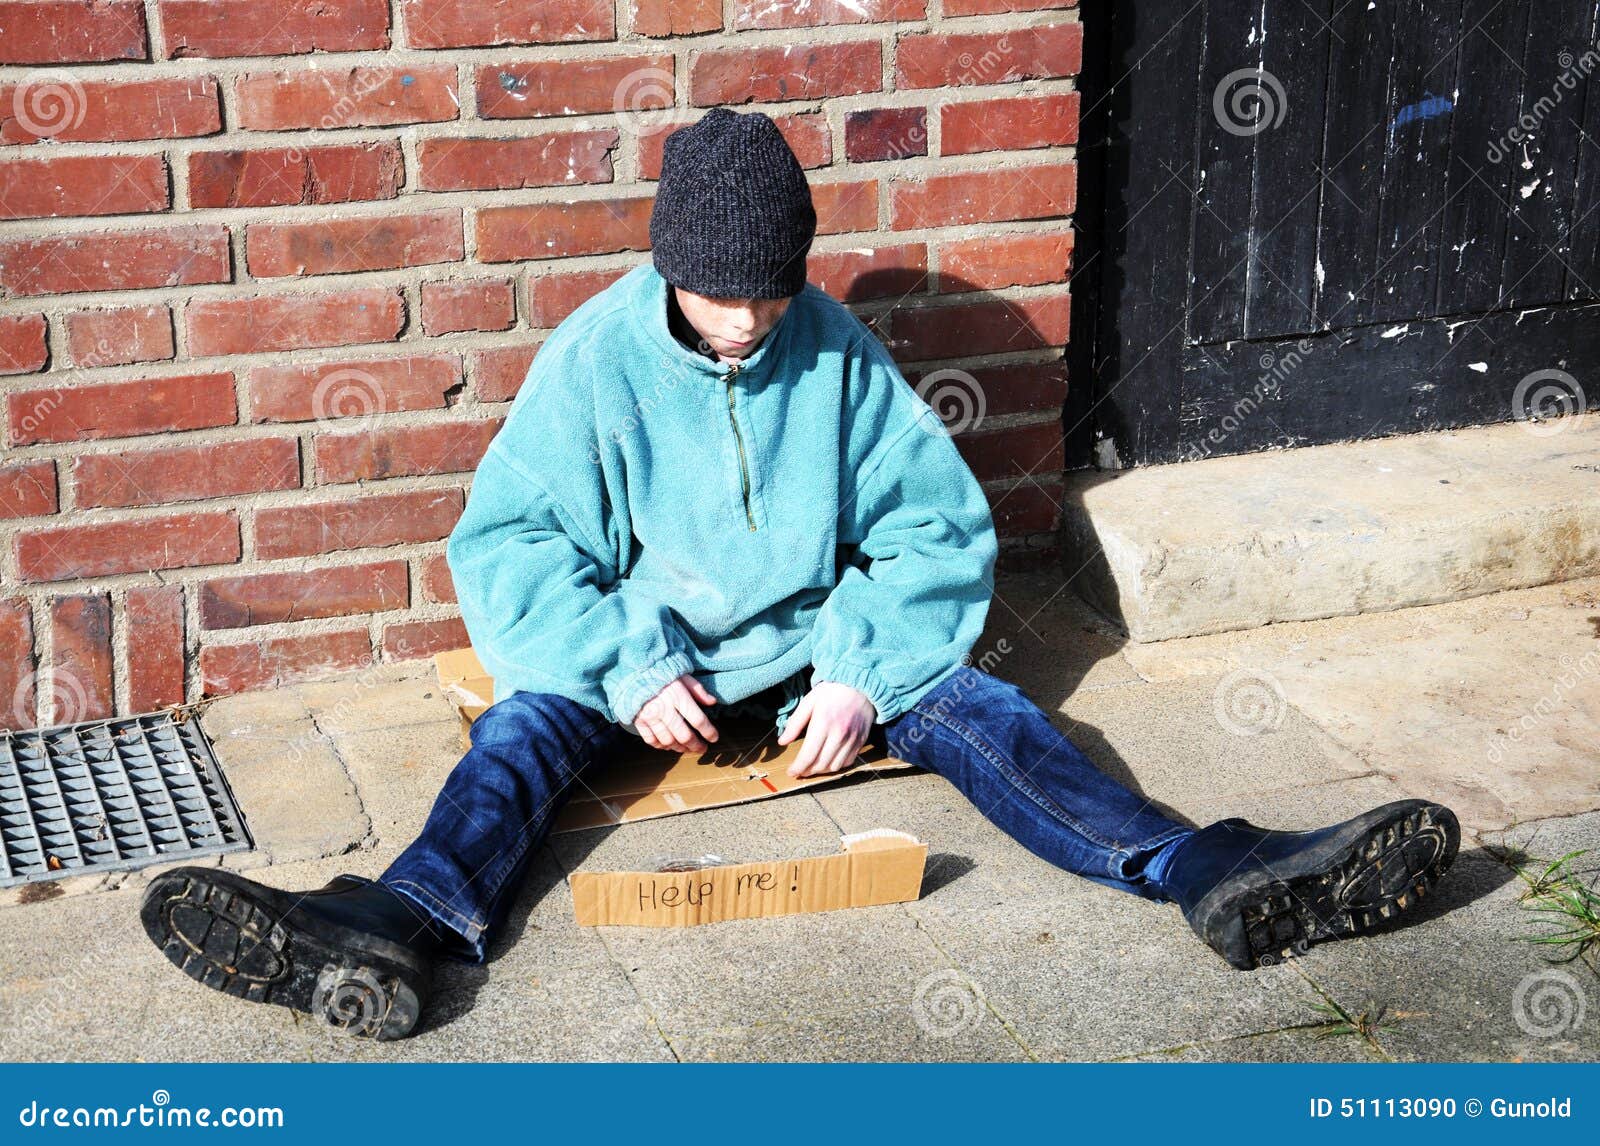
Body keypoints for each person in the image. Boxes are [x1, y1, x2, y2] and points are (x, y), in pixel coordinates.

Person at [140, 109, 1460, 1042]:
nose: (754, 326)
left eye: (773, 300)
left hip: (811, 663)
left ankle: (1213, 870)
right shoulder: (596, 361)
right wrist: (625, 658)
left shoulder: (830, 349)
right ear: (669, 271)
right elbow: (508, 545)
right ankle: (384, 929)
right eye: (727, 304)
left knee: (996, 718)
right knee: (514, 744)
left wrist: (862, 665)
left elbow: (934, 533)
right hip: (637, 664)